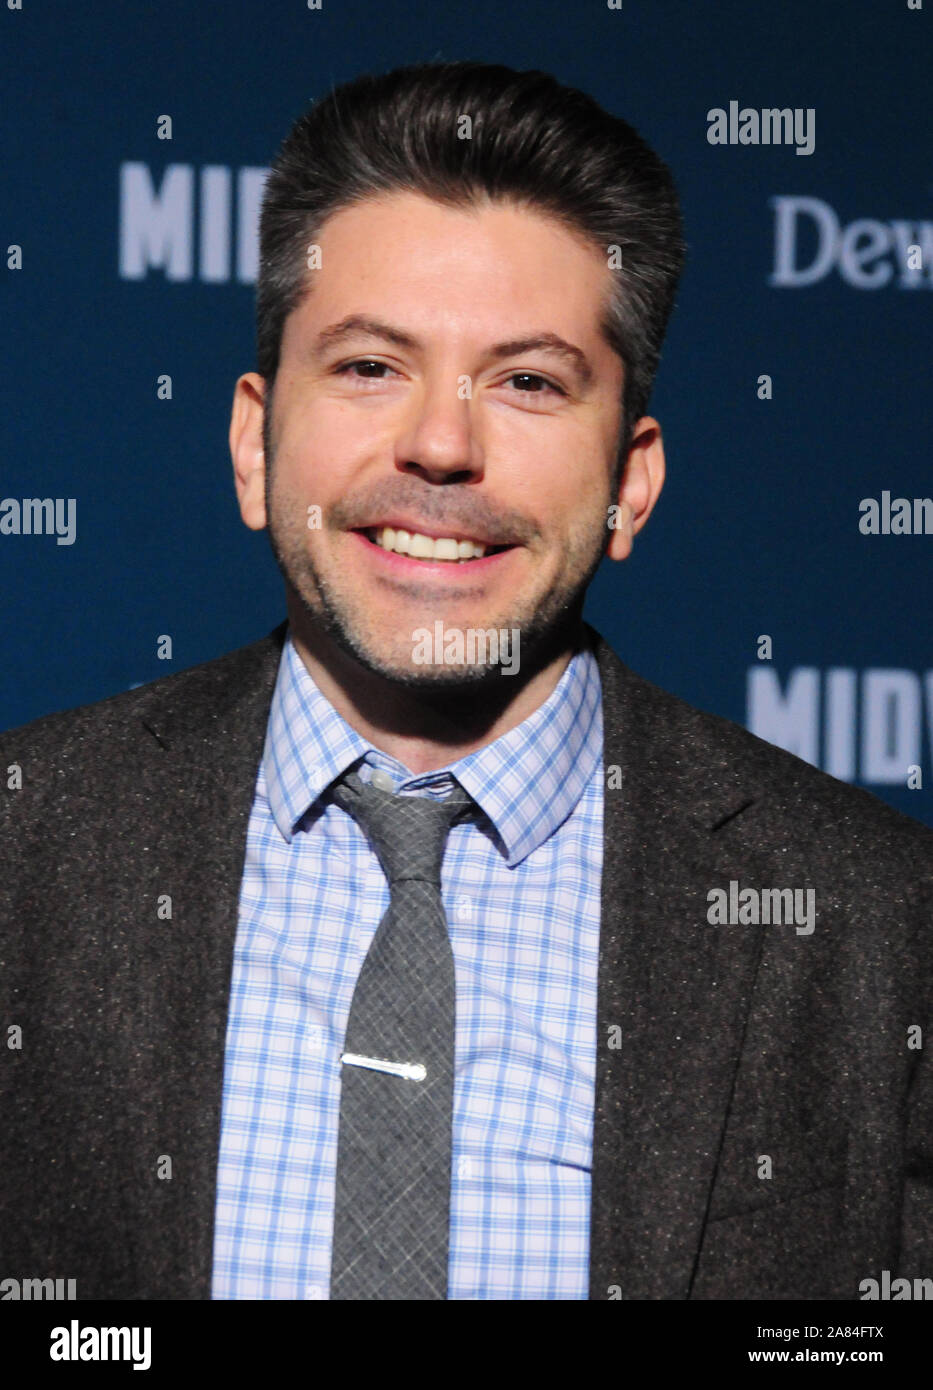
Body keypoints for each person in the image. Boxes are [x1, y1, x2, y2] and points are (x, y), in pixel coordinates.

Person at [1, 61, 930, 1302]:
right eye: (372, 366)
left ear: (631, 486)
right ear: (252, 445)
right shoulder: (25, 849)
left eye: (530, 381)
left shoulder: (874, 921)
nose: (442, 443)